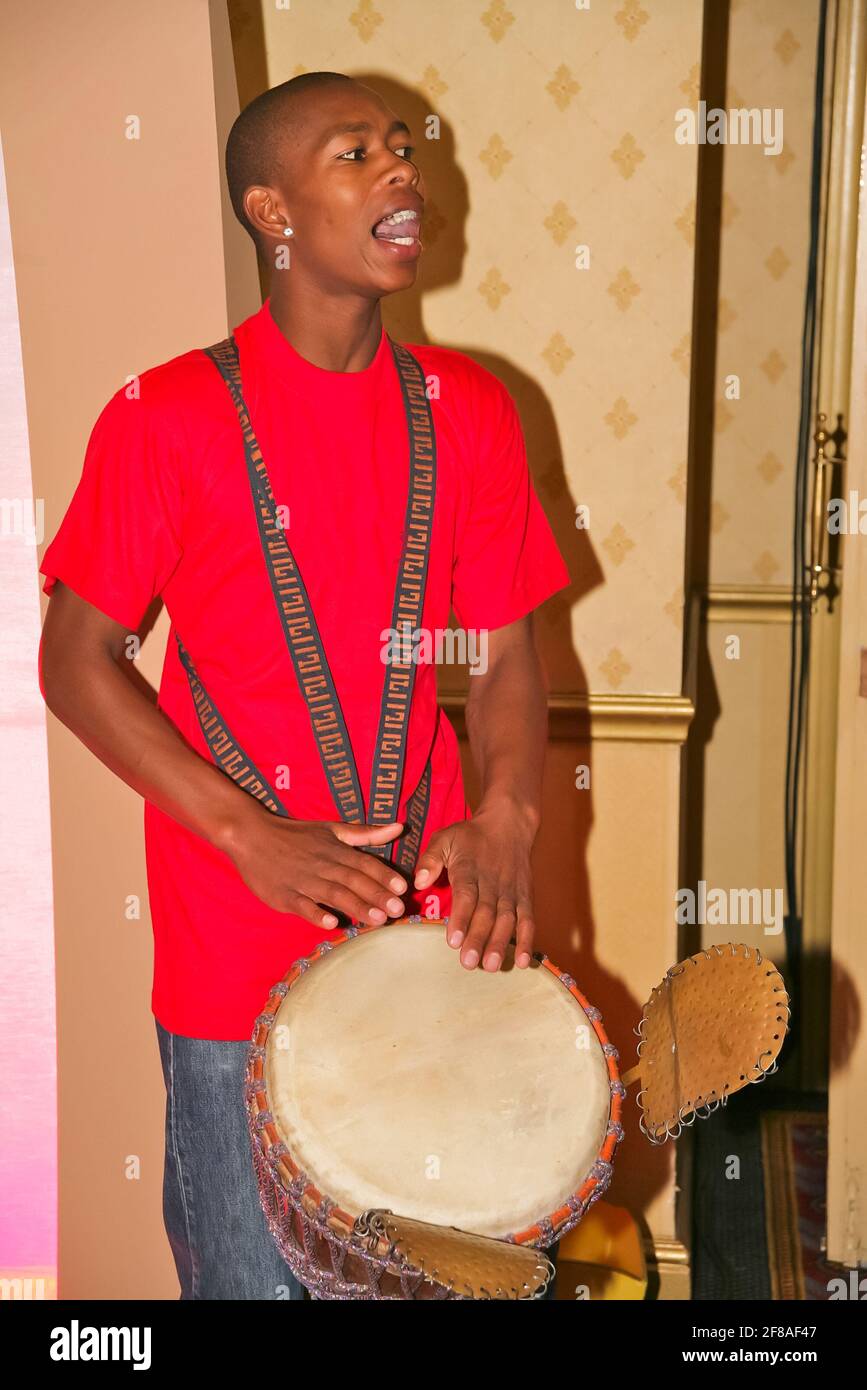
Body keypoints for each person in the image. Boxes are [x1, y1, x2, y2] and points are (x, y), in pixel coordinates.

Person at [37, 71, 571, 1300]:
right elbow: (76, 658)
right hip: (236, 941)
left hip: (436, 934)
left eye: (401, 147)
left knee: (434, 1279)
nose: (401, 170)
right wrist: (248, 834)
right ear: (273, 214)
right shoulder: (163, 416)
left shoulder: (473, 411)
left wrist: (509, 815)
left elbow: (500, 654)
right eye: (355, 154)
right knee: (251, 1286)